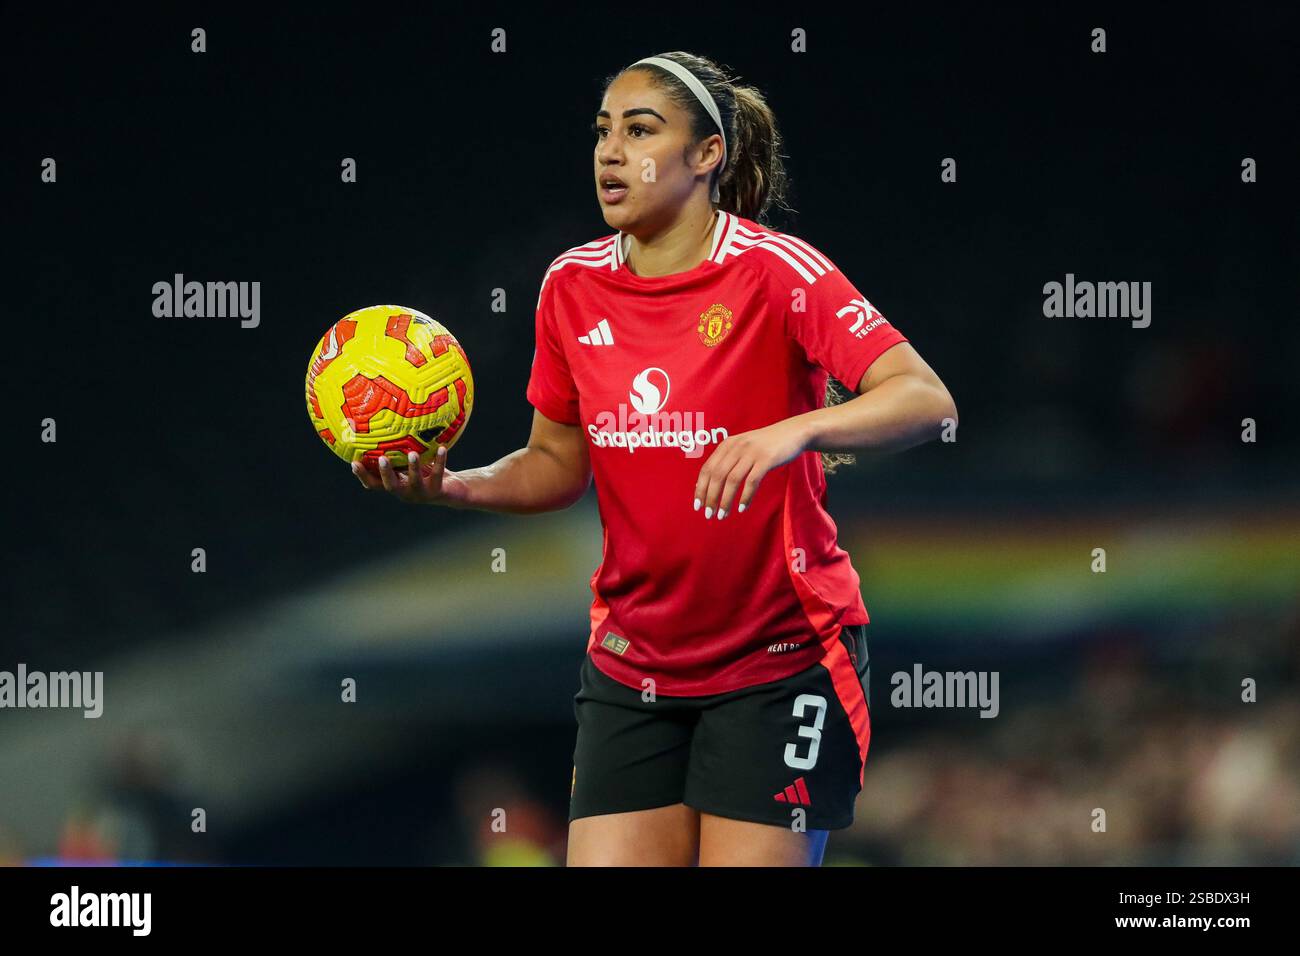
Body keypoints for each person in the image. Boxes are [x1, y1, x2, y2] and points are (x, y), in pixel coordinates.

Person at [354, 51, 956, 866]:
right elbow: (554, 465)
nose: (609, 151)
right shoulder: (570, 286)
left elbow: (925, 399)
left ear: (707, 154)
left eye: (640, 130)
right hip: (633, 667)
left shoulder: (776, 273)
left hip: (779, 662)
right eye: (603, 131)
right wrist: (453, 487)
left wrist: (794, 431)